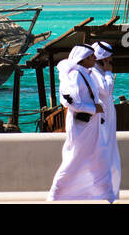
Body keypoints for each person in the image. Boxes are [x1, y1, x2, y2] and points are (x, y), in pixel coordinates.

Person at [47, 44, 111, 201]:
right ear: (83, 59)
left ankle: (106, 194)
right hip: (81, 127)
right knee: (73, 160)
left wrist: (96, 109)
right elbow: (70, 103)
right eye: (91, 57)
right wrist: (93, 109)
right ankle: (55, 194)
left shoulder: (86, 74)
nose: (95, 59)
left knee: (99, 157)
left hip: (91, 125)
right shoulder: (76, 75)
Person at [91, 41, 121, 201]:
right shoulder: (95, 73)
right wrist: (109, 72)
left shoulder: (99, 72)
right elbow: (107, 90)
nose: (110, 63)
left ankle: (110, 193)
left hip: (107, 123)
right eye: (108, 60)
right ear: (102, 59)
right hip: (103, 124)